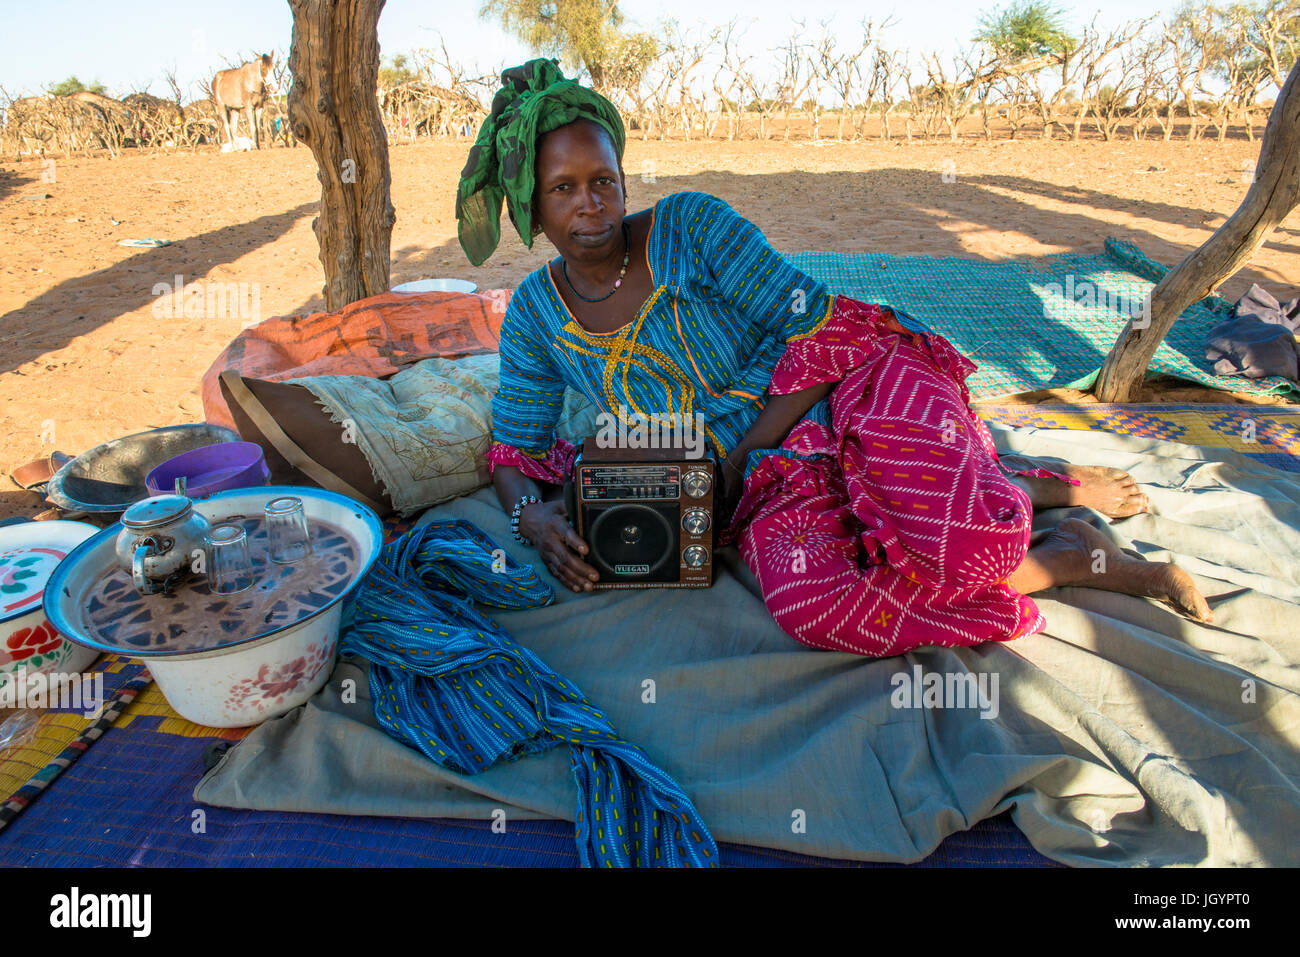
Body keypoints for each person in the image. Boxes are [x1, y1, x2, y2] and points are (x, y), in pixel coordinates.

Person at [458, 59, 1211, 658]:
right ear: (533, 208)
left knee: (975, 542)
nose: (591, 203)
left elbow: (819, 329)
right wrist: (534, 519)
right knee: (817, 605)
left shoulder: (690, 227)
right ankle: (1070, 555)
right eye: (564, 189)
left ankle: (1049, 509)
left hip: (849, 389)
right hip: (758, 487)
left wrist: (736, 458)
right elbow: (513, 450)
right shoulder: (534, 314)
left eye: (603, 181)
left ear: (622, 179)